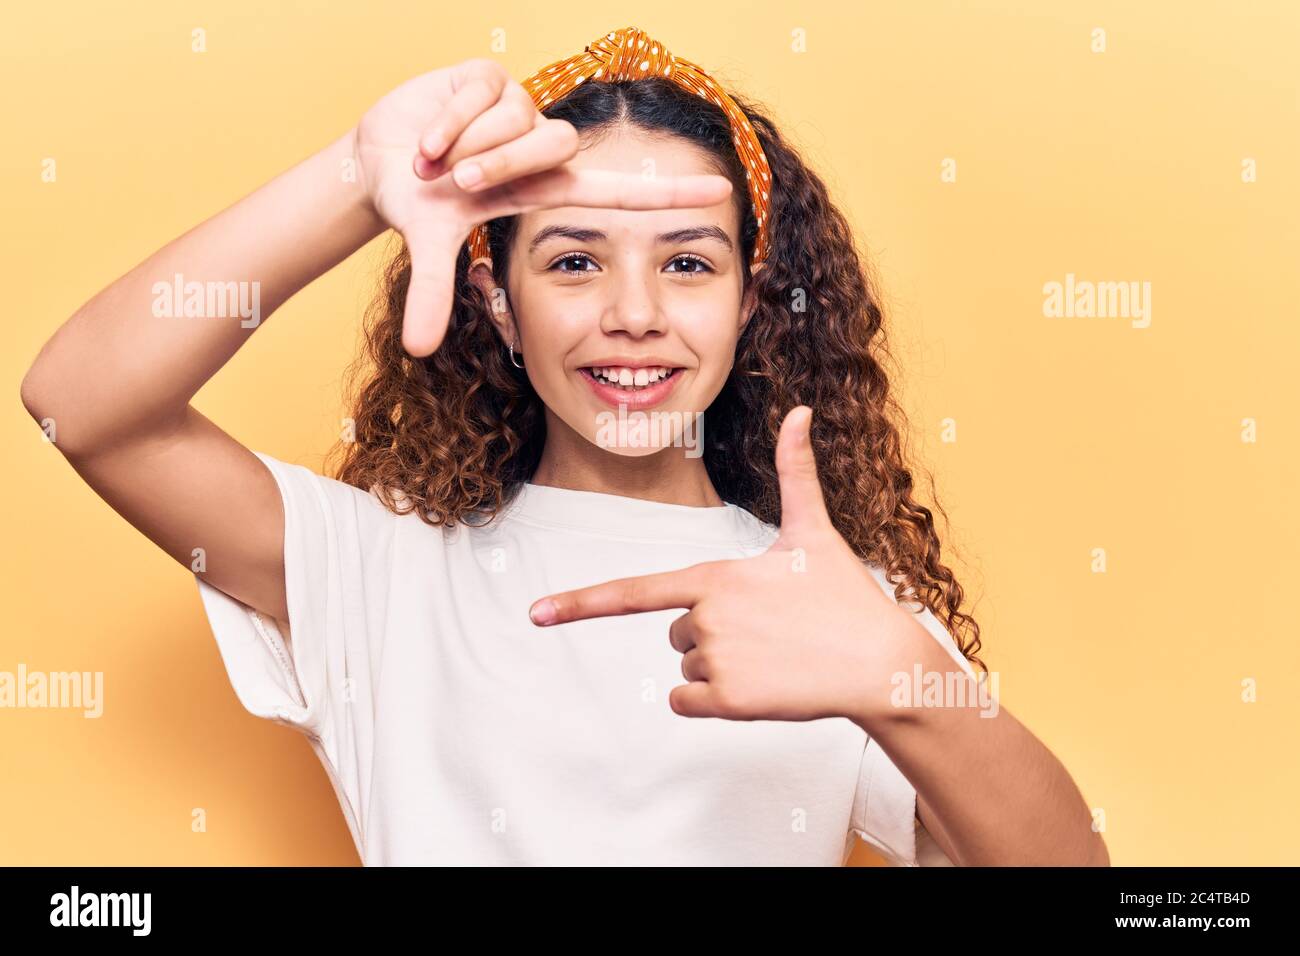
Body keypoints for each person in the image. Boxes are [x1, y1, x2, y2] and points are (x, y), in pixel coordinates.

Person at [20, 26, 1108, 866]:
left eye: (686, 263)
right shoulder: (378, 571)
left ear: (748, 302)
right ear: (496, 295)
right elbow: (84, 402)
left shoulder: (821, 603)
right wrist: (359, 175)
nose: (633, 313)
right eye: (575, 261)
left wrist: (902, 673)